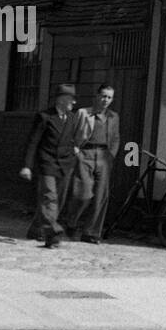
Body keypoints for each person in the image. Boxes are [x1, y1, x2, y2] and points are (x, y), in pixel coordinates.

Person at [19, 84, 79, 249]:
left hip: (66, 165)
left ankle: (35, 229)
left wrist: (74, 148)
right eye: (70, 99)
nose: (73, 103)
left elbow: (71, 138)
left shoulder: (73, 118)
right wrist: (27, 166)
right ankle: (53, 235)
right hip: (47, 163)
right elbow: (33, 142)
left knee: (56, 200)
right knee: (49, 198)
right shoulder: (44, 116)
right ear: (60, 100)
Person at [65, 84, 120, 244]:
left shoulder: (113, 116)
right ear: (96, 96)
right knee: (83, 193)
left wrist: (112, 155)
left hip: (104, 156)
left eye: (109, 97)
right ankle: (72, 221)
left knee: (101, 196)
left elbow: (116, 137)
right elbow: (70, 133)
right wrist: (75, 151)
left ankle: (91, 232)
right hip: (85, 154)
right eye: (103, 96)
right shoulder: (83, 113)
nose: (106, 100)